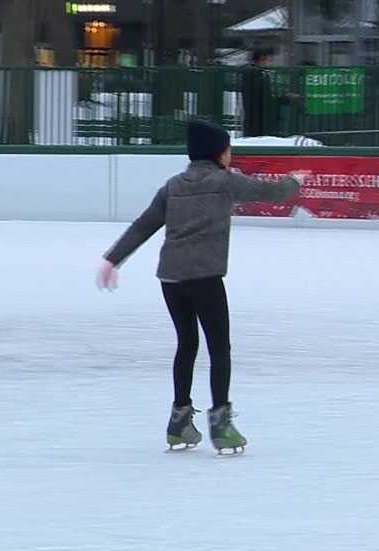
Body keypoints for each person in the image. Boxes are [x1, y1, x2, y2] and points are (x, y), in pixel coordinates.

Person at [96, 120, 306, 454]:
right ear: (216, 153)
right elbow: (268, 191)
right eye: (228, 149)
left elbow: (143, 225)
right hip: (205, 278)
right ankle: (221, 425)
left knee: (187, 344)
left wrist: (112, 259)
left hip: (171, 280)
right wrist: (294, 182)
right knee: (219, 347)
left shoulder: (173, 186)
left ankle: (179, 422)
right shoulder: (225, 182)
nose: (230, 155)